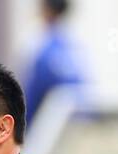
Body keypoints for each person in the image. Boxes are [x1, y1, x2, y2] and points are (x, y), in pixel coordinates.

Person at [22, 0, 86, 128]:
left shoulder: (40, 43)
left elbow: (31, 91)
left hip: (45, 123)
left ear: (46, 9)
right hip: (72, 123)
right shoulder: (76, 44)